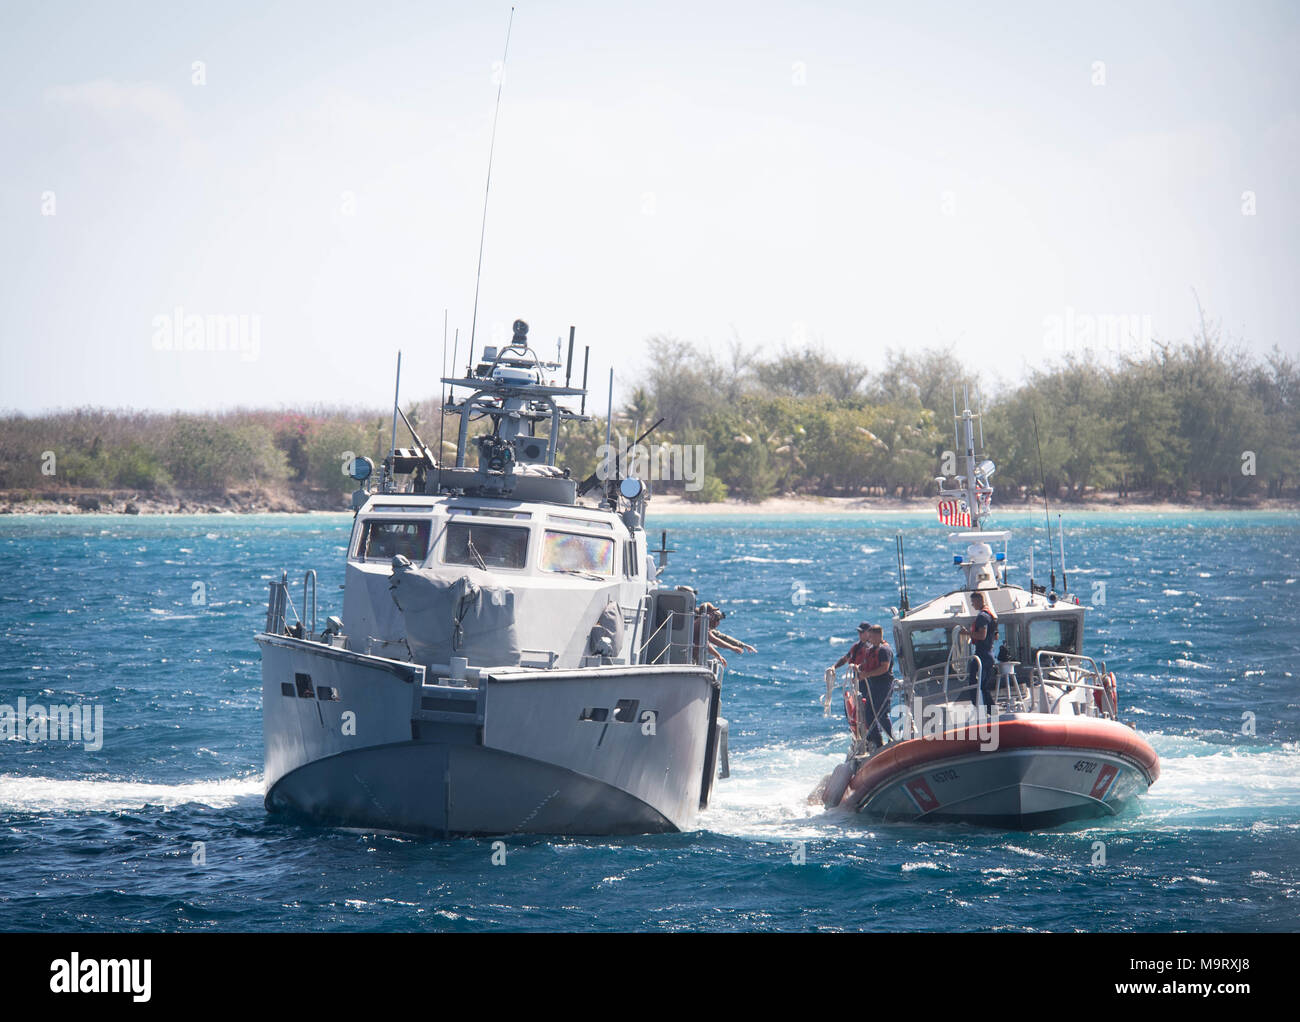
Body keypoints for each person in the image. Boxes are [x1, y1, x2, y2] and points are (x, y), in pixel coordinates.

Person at [857, 625, 896, 747]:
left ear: (879, 636)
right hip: (873, 686)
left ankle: (892, 739)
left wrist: (867, 674)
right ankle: (878, 742)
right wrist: (859, 670)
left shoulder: (884, 650)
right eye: (869, 637)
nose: (869, 639)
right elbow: (866, 664)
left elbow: (884, 668)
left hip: (883, 685)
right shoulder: (872, 650)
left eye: (871, 637)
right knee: (869, 714)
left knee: (882, 714)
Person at [960, 591, 999, 712]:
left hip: (983, 655)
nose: (972, 605)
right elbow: (996, 636)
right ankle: (987, 709)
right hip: (987, 653)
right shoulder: (991, 615)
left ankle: (989, 710)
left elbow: (982, 636)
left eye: (973, 602)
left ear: (978, 601)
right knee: (980, 684)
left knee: (978, 683)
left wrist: (967, 633)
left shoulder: (982, 616)